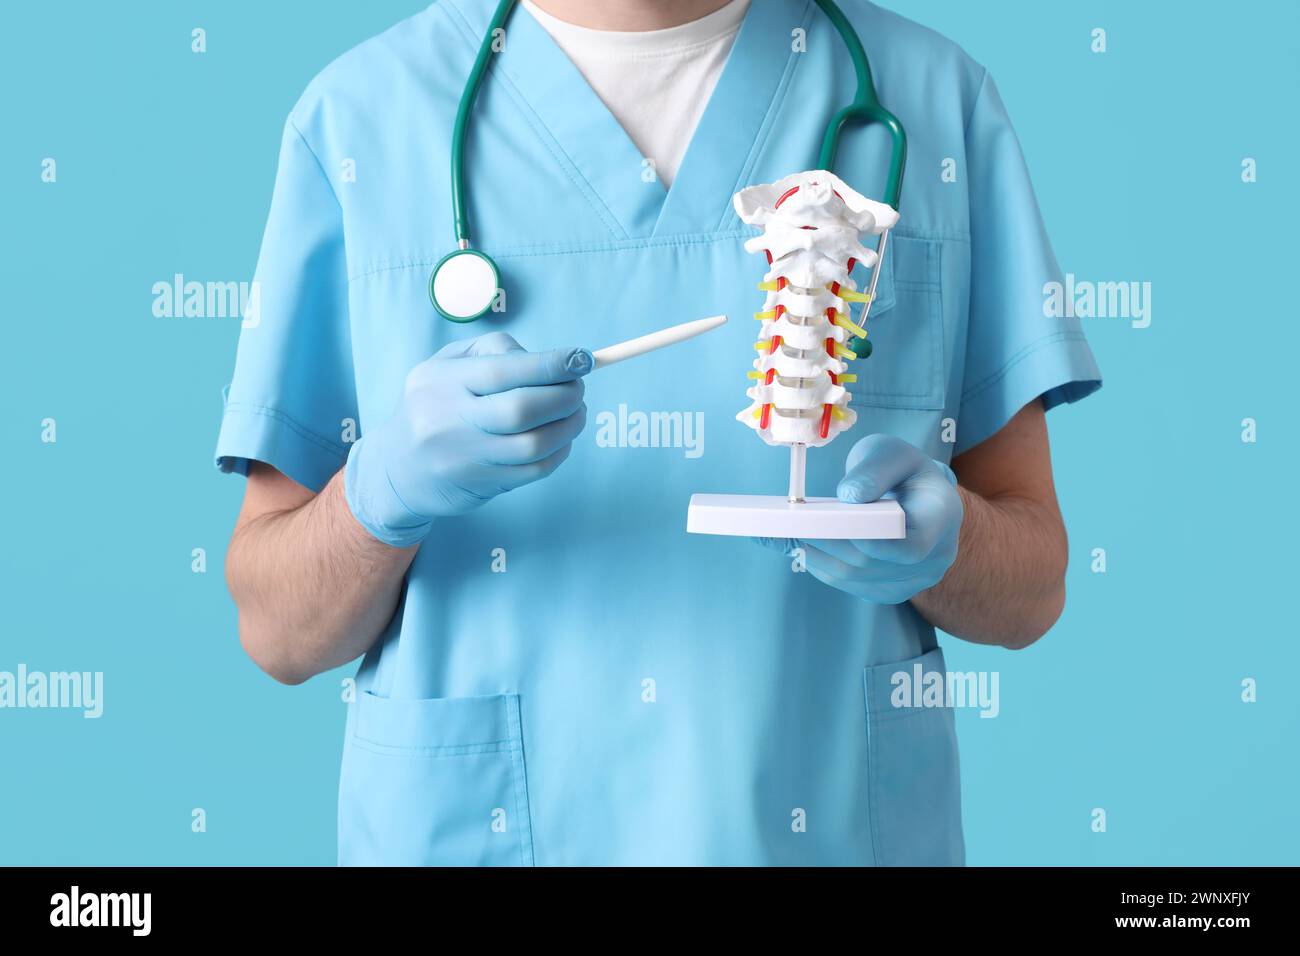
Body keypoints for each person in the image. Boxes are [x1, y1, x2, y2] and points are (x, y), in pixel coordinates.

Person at [216, 0, 1101, 865]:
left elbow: (1033, 591)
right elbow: (280, 632)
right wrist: (384, 493)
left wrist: (948, 545)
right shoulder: (360, 120)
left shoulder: (933, 101)